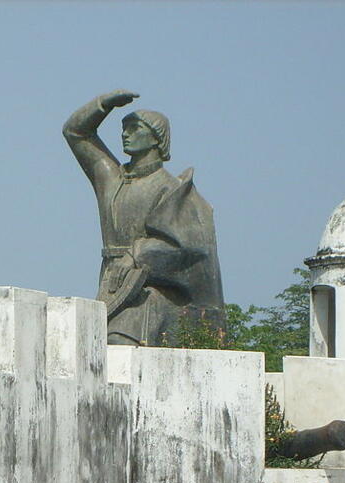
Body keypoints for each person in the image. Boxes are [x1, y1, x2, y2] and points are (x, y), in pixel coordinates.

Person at [63, 90, 225, 346]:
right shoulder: (111, 179)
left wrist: (137, 254)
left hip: (151, 292)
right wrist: (102, 105)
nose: (125, 134)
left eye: (134, 128)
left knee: (119, 343)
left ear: (156, 138)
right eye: (124, 128)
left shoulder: (172, 188)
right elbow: (75, 133)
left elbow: (189, 246)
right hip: (111, 282)